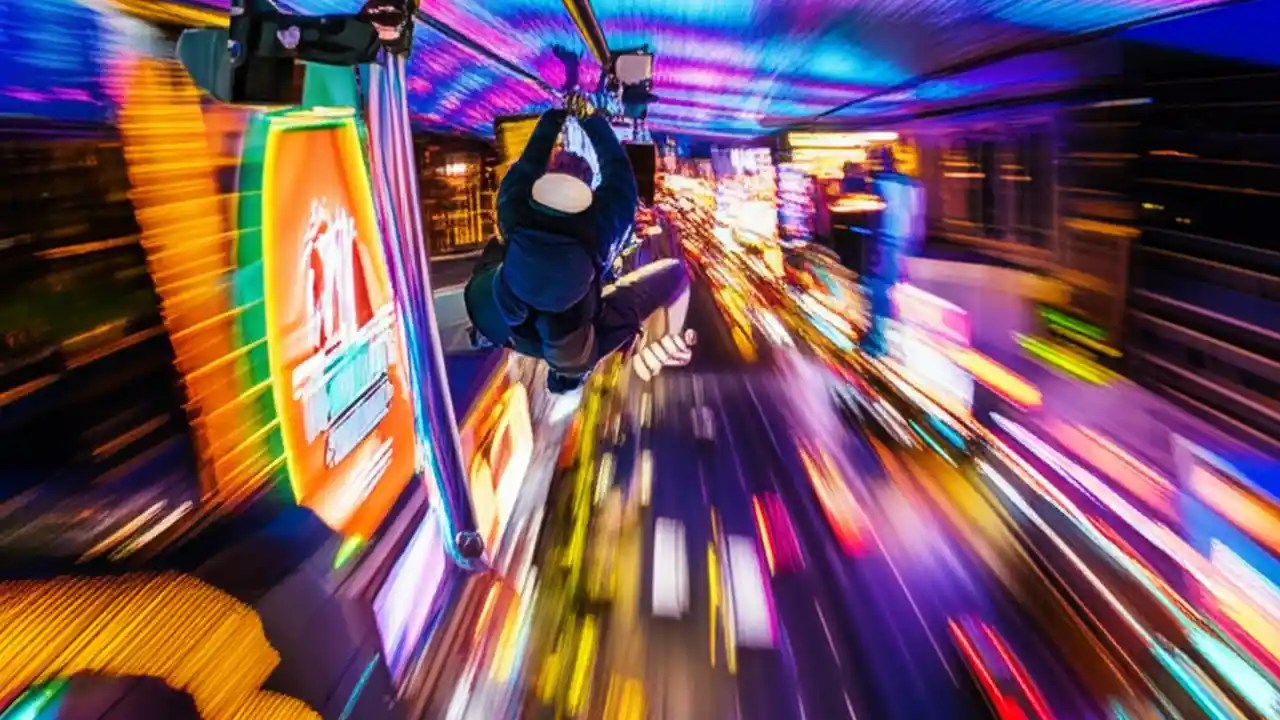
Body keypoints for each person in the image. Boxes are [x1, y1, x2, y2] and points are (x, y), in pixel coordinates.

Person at [465, 96, 693, 394]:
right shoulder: (513, 214)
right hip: (504, 308)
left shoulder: (599, 234)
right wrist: (553, 118)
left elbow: (619, 175)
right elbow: (529, 163)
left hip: (537, 313)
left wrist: (592, 119)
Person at [862, 145, 925, 358]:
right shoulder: (911, 184)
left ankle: (878, 341)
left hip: (886, 243)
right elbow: (916, 217)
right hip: (903, 243)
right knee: (891, 289)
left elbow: (876, 216)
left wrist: (871, 244)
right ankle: (894, 337)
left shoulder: (879, 183)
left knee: (878, 290)